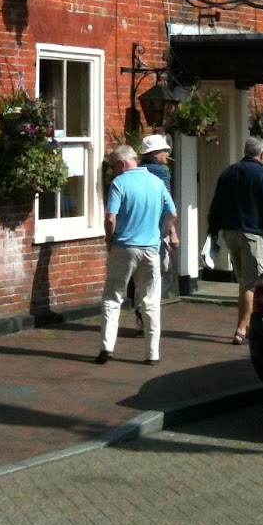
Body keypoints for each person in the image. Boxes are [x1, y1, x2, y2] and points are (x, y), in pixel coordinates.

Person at [96, 145, 178, 366]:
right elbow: (172, 213)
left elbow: (110, 218)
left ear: (122, 163)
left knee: (113, 297)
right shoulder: (157, 182)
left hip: (123, 247)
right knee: (150, 301)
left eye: (113, 166)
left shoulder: (119, 183)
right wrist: (159, 235)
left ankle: (107, 347)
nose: (113, 171)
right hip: (150, 249)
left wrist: (109, 241)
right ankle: (152, 354)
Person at [210, 135, 263, 345]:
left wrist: (213, 230)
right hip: (253, 235)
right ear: (262, 154)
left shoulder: (228, 173)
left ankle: (250, 325)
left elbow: (216, 203)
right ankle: (243, 329)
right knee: (252, 283)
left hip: (230, 233)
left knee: (244, 282)